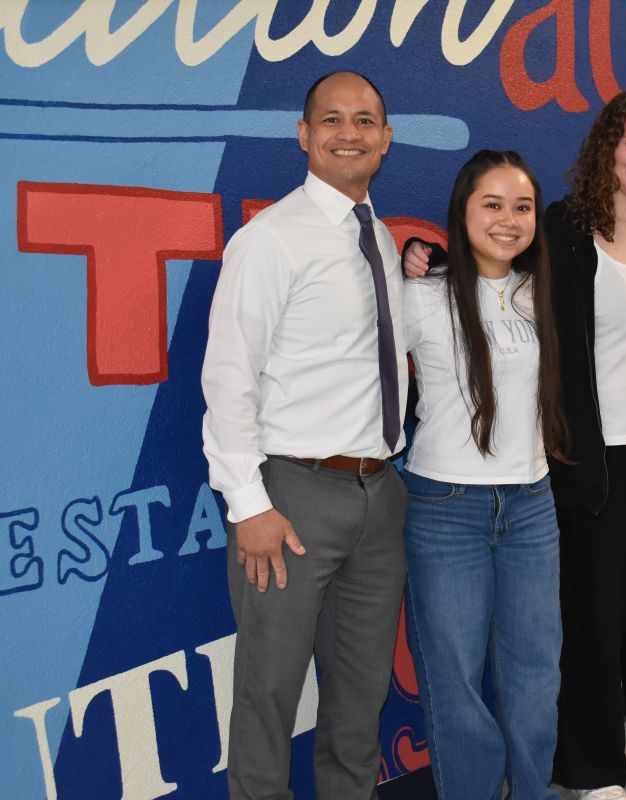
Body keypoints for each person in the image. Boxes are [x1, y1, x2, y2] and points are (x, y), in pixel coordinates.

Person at [405, 86, 626, 800]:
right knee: (593, 618)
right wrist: (428, 254)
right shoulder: (568, 228)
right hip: (600, 455)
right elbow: (496, 267)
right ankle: (592, 767)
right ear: (607, 147)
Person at [201, 71, 408, 799]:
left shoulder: (378, 236)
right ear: (304, 134)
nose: (348, 132)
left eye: (364, 120)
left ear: (385, 138)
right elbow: (228, 378)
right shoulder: (270, 240)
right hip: (292, 498)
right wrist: (248, 504)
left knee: (359, 702)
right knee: (268, 696)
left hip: (381, 496)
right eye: (331, 119)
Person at [402, 149, 568, 800]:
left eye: (522, 207)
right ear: (462, 213)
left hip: (532, 503)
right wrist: (417, 253)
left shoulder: (543, 292)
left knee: (535, 671)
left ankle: (532, 790)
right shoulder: (419, 294)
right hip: (444, 508)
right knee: (456, 678)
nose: (508, 219)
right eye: (491, 204)